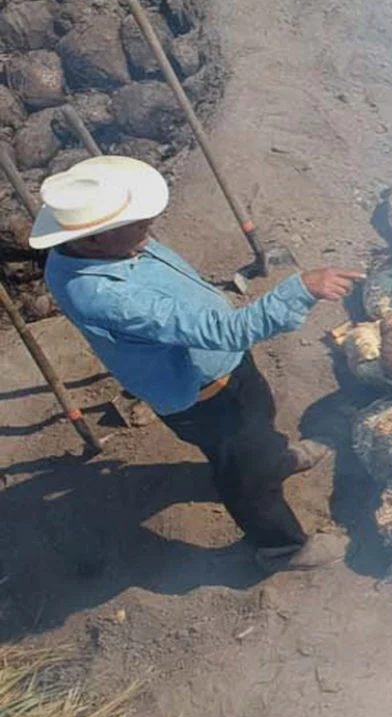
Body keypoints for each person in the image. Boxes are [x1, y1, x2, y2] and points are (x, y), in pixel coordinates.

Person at [30, 156, 364, 569]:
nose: (148, 233)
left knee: (257, 423)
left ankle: (278, 459)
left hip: (221, 366)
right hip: (205, 397)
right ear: (93, 239)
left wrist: (133, 237)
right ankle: (282, 547)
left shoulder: (96, 249)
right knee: (244, 469)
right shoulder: (108, 296)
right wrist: (301, 289)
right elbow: (225, 331)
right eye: (137, 226)